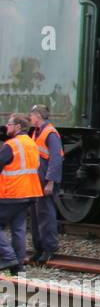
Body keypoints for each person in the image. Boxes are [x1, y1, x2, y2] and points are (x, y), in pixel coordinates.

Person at [0, 114, 43, 274]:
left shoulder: (11, 145)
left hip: (11, 192)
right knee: (18, 229)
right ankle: (18, 267)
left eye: (9, 124)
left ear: (18, 126)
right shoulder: (32, 144)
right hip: (29, 193)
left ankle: (8, 257)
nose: (6, 127)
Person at [27, 104, 62, 265]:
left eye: (32, 115)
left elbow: (56, 159)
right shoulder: (37, 132)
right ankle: (39, 248)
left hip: (44, 181)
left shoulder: (50, 133)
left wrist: (50, 182)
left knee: (45, 214)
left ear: (38, 116)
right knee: (36, 215)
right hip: (36, 181)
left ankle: (49, 248)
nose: (30, 118)